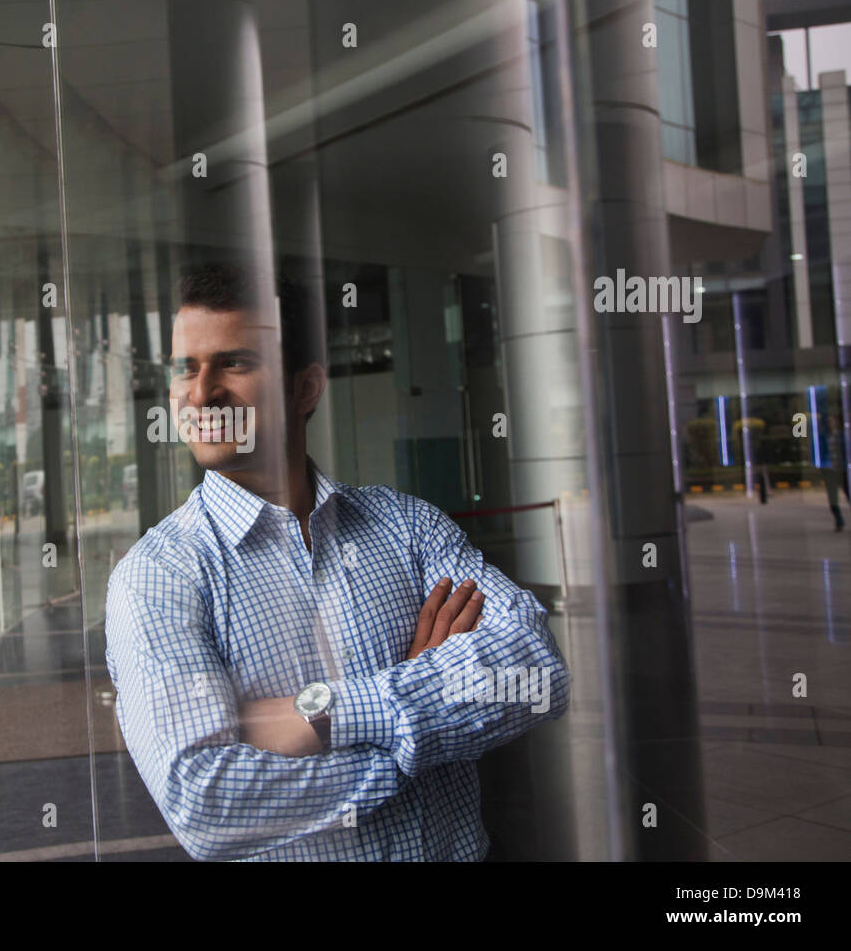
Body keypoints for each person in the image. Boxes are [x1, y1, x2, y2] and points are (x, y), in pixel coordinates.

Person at [104, 262, 570, 861]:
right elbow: (208, 805)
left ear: (306, 387)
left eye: (235, 363)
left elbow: (538, 674)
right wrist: (416, 736)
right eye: (184, 368)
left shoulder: (409, 527)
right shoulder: (159, 576)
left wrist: (319, 715)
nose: (200, 393)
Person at [822, 411, 849, 531]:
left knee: (848, 492)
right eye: (828, 422)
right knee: (833, 497)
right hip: (830, 470)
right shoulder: (824, 438)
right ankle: (839, 520)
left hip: (842, 469)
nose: (830, 424)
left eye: (831, 421)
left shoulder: (842, 436)